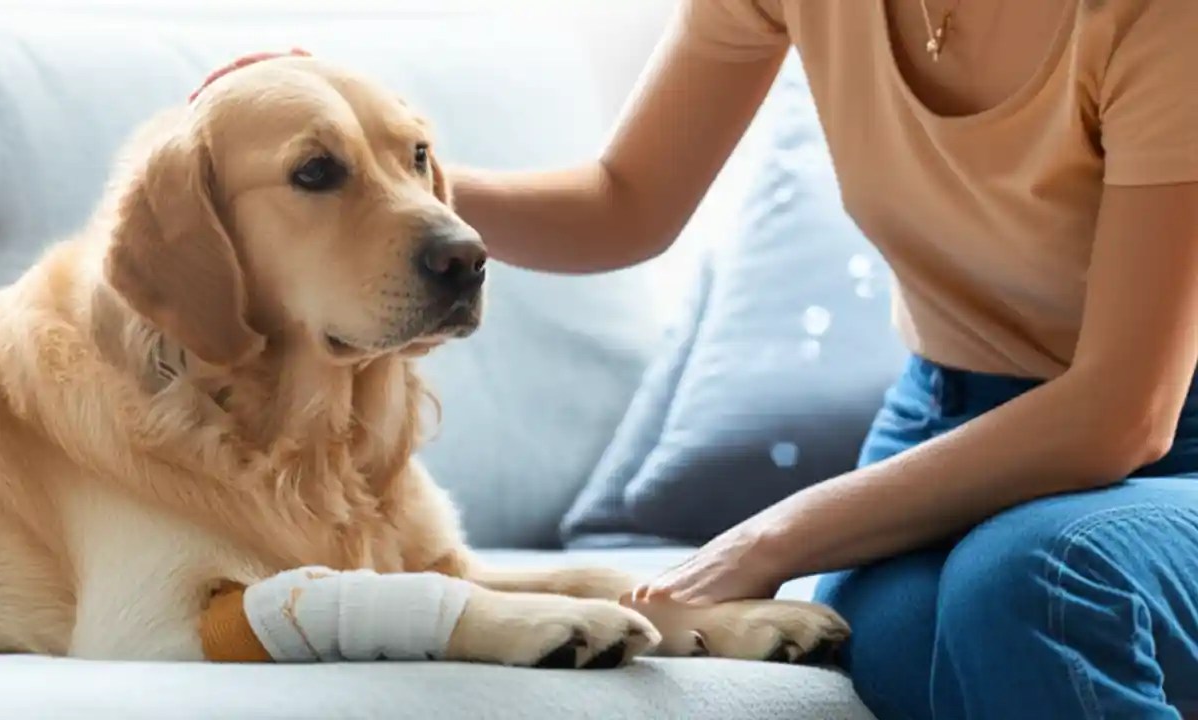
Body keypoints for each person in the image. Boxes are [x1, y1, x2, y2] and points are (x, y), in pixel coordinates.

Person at [450, 0, 1198, 717]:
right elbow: (625, 201)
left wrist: (768, 538)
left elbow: (1122, 411)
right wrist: (392, 178)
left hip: (1168, 438)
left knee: (1035, 587)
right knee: (898, 641)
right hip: (949, 416)